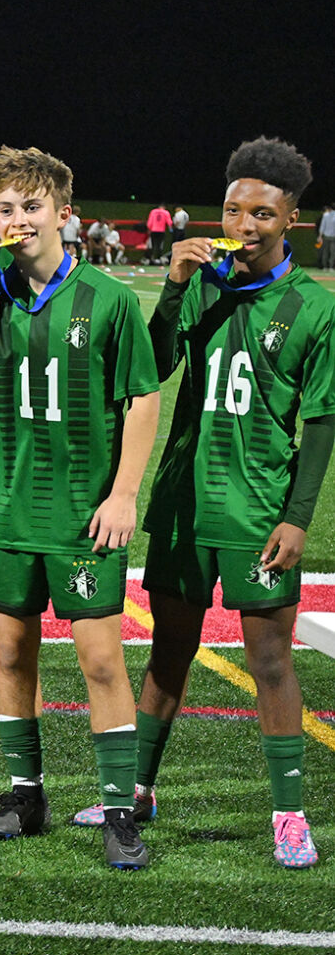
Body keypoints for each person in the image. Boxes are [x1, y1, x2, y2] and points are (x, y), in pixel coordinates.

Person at [0, 146, 160, 870]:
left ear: (63, 214)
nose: (17, 220)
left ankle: (117, 810)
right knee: (12, 651)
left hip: (84, 513)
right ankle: (25, 793)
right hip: (10, 508)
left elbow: (143, 397)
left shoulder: (107, 298)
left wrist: (124, 493)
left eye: (31, 206)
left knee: (101, 660)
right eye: (6, 209)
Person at [84, 138, 329, 869]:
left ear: (292, 218)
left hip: (257, 510)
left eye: (263, 212)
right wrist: (170, 286)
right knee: (167, 653)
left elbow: (320, 422)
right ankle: (138, 790)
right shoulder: (201, 284)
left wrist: (297, 516)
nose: (245, 223)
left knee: (272, 660)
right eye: (233, 208)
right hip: (185, 505)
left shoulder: (313, 307)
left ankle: (289, 812)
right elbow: (154, 371)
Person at [318, 203, 335, 269]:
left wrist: (320, 236)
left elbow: (322, 226)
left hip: (326, 236)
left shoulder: (325, 215)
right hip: (333, 236)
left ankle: (325, 266)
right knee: (333, 253)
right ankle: (331, 266)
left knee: (325, 252)